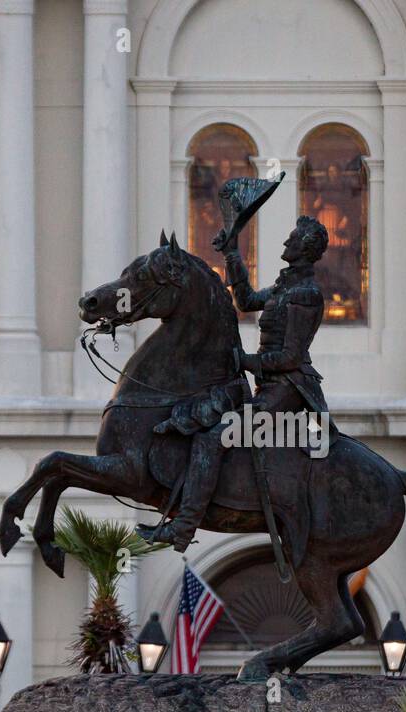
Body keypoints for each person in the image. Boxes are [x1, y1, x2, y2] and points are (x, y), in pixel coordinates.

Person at [138, 215, 331, 551]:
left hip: (289, 391)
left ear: (305, 249)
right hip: (269, 387)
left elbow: (289, 358)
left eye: (293, 239)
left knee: (214, 438)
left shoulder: (306, 294)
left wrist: (246, 361)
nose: (286, 242)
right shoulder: (285, 288)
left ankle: (183, 527)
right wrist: (231, 253)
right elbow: (245, 301)